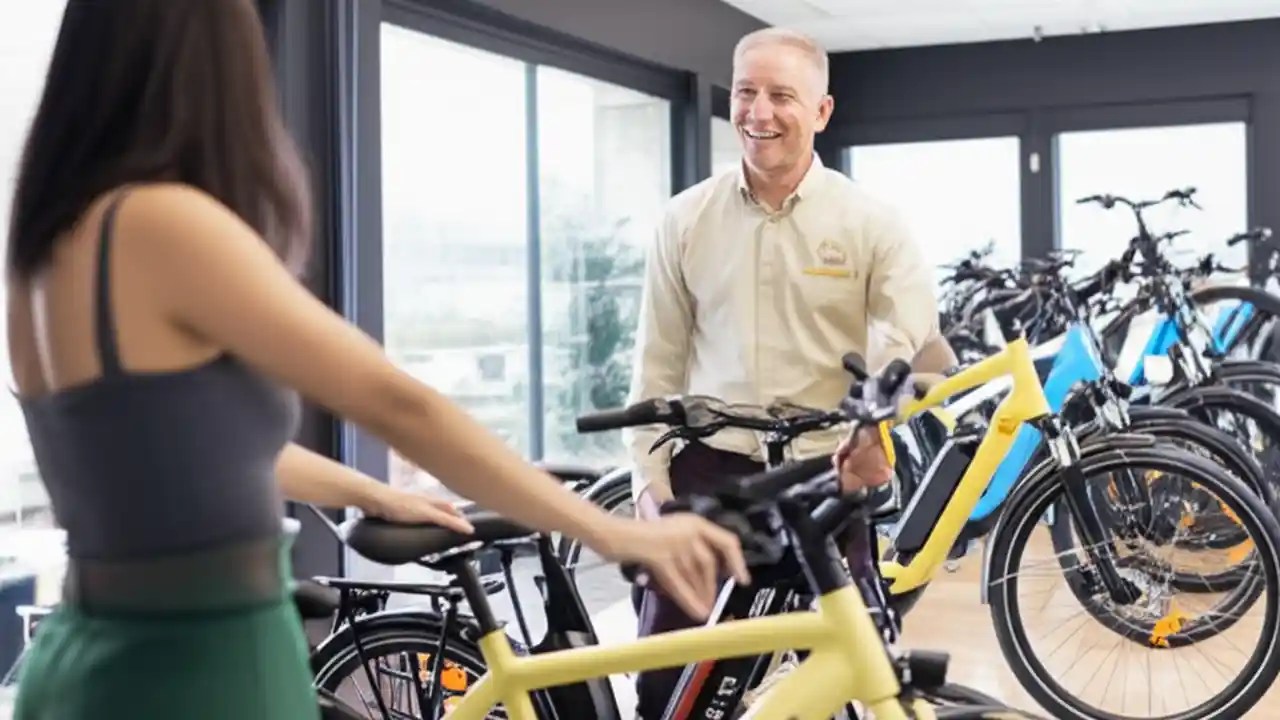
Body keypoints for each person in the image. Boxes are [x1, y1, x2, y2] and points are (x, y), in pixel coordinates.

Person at [4, 2, 750, 718]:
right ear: (206, 65)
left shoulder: (44, 251)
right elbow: (397, 403)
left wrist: (370, 491)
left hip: (87, 654)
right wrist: (615, 531)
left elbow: (184, 457)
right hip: (200, 658)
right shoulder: (162, 223)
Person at [624, 26, 952, 719]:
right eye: (746, 93)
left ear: (822, 112)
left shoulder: (871, 223)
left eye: (781, 96)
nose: (758, 112)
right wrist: (649, 488)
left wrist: (874, 420)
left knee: (862, 678)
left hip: (828, 476)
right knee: (668, 684)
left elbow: (903, 332)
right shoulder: (686, 220)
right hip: (714, 479)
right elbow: (657, 366)